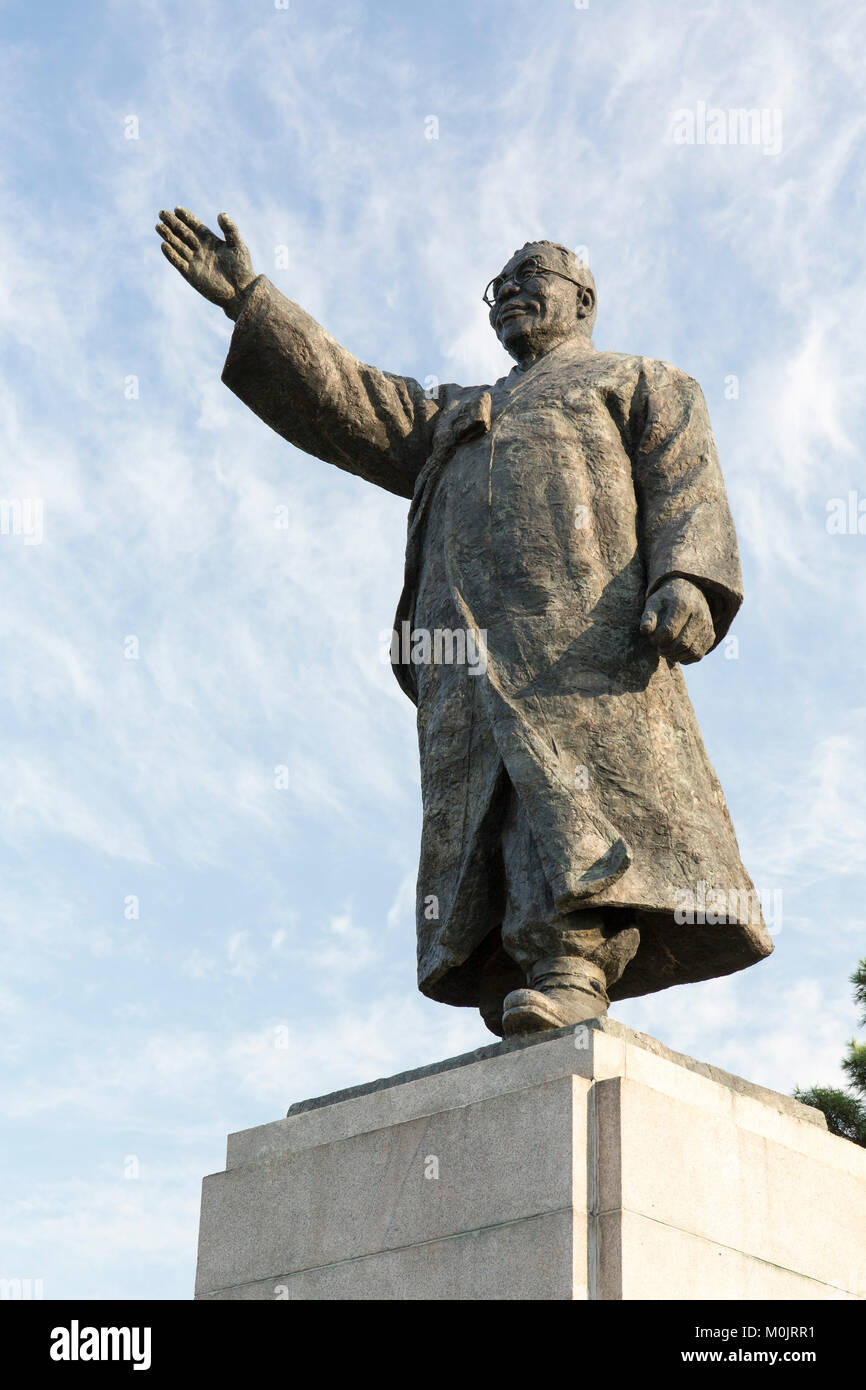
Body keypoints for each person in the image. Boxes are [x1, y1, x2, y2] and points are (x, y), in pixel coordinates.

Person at [156, 208, 773, 1036]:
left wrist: (689, 580)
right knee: (497, 803)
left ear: (582, 299)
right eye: (499, 285)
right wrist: (252, 302)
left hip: (587, 632)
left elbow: (686, 480)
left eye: (531, 278)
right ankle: (523, 963)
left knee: (577, 795)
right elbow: (351, 396)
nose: (510, 293)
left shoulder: (639, 380)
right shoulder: (455, 410)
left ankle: (572, 961)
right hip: (464, 645)